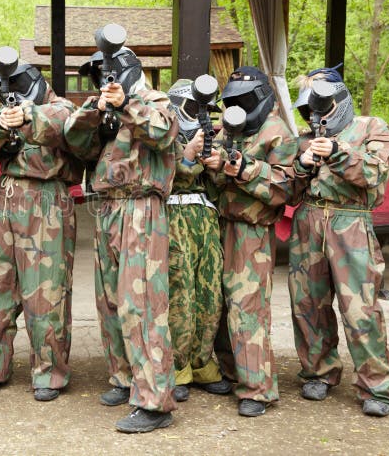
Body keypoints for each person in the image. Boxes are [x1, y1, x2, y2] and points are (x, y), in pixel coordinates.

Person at [64, 45, 178, 433]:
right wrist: (94, 112)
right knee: (111, 301)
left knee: (141, 303)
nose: (103, 82)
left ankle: (155, 401)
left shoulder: (153, 100)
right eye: (98, 77)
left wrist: (127, 103)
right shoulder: (105, 110)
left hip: (141, 208)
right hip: (107, 207)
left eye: (108, 73)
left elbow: (163, 134)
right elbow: (75, 144)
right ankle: (125, 378)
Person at [0, 52, 83, 402]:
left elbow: (63, 124)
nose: (12, 95)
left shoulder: (61, 107)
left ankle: (49, 372)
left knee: (45, 293)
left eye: (17, 87)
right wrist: (2, 123)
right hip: (6, 199)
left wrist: (25, 115)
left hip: (46, 199)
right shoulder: (4, 112)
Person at [288, 66, 389, 417]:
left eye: (322, 104)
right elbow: (288, 190)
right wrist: (301, 165)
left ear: (340, 100)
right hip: (309, 220)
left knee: (360, 309)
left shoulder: (371, 127)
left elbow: (375, 172)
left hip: (351, 222)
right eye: (310, 108)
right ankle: (318, 371)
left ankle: (376, 386)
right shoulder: (306, 136)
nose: (316, 113)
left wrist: (338, 150)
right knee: (308, 304)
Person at [201, 66, 297, 417]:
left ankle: (258, 389)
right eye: (231, 101)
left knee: (248, 309)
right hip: (221, 223)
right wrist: (213, 163)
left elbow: (286, 188)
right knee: (221, 306)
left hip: (252, 230)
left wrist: (240, 168)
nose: (235, 107)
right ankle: (232, 372)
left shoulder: (277, 133)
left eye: (242, 100)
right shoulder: (230, 128)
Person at [164, 79, 230, 403]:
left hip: (206, 219)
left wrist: (217, 162)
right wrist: (188, 155)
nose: (199, 115)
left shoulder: (212, 136)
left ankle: (203, 363)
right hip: (175, 219)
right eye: (193, 107)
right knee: (181, 294)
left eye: (204, 109)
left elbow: (220, 180)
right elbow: (164, 176)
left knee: (210, 293)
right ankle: (177, 368)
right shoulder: (164, 133)